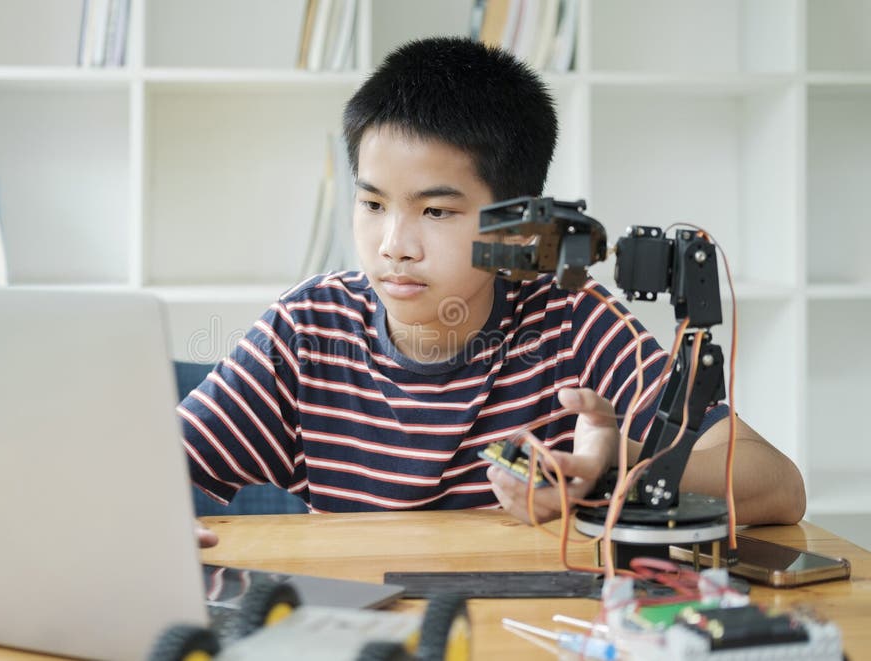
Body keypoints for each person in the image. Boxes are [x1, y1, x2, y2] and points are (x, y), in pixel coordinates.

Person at [182, 37, 805, 548]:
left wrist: (613, 466)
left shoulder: (571, 321)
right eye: (372, 203)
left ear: (515, 226)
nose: (394, 243)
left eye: (437, 213)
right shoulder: (308, 326)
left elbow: (778, 485)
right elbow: (149, 469)